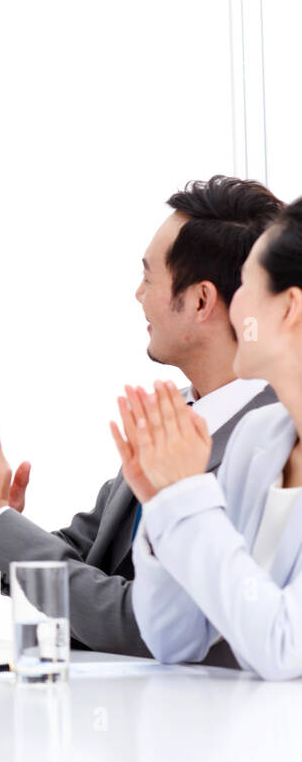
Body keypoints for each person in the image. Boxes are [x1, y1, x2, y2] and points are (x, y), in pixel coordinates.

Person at [0, 176, 281, 658]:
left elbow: (145, 625)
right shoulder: (175, 415)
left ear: (200, 301)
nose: (138, 294)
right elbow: (86, 561)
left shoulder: (277, 443)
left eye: (148, 276)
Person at [116, 196, 302, 679]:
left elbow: (285, 646)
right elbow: (175, 638)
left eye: (248, 289)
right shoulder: (261, 438)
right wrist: (164, 504)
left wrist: (188, 496)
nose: (231, 306)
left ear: (289, 309)